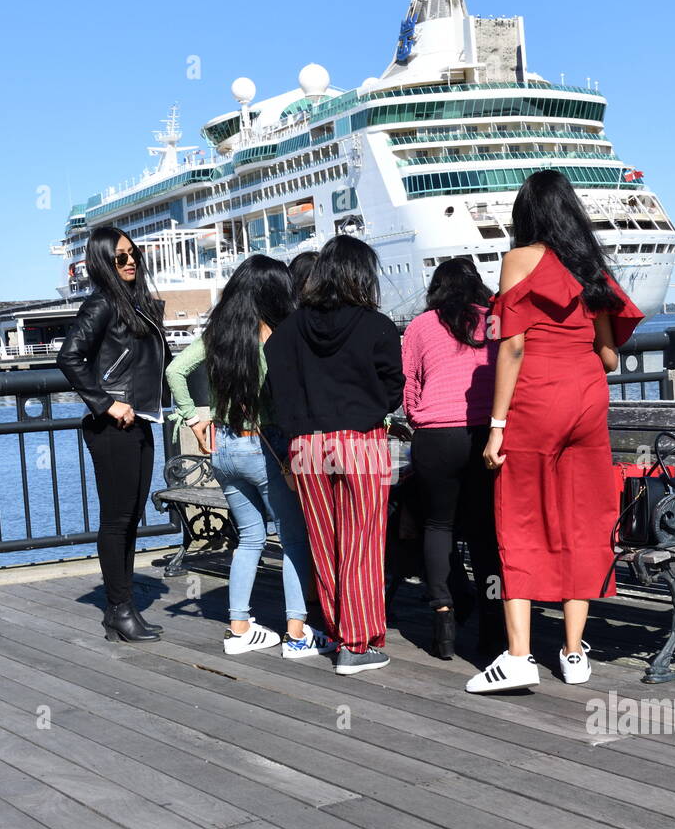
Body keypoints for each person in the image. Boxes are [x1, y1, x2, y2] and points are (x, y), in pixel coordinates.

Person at [466, 170, 644, 694]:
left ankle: (519, 658)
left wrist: (497, 427)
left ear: (529, 214)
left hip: (539, 399)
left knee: (519, 515)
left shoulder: (520, 260)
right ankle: (572, 653)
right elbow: (610, 357)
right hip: (588, 400)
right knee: (582, 519)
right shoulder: (593, 270)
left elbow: (512, 348)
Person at [165, 255, 333, 658]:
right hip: (267, 449)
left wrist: (193, 419)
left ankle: (239, 628)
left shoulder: (217, 335)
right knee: (294, 539)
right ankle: (297, 634)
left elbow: (174, 371)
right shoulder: (275, 336)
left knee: (251, 538)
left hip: (223, 448)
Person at [264, 236, 403, 676]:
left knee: (325, 543)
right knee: (363, 541)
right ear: (361, 275)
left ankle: (338, 630)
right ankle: (358, 646)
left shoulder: (287, 331)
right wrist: (369, 404)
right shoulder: (376, 325)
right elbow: (393, 387)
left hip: (306, 445)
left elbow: (275, 392)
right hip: (360, 441)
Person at [58, 226, 168, 643]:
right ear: (103, 262)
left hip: (140, 421)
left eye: (132, 254)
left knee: (130, 520)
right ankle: (119, 609)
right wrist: (105, 403)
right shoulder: (102, 304)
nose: (130, 262)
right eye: (119, 257)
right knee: (117, 519)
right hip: (113, 427)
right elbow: (69, 356)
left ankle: (121, 610)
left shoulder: (133, 305)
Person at [402, 257, 504, 660]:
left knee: (437, 525)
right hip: (485, 434)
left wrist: (420, 418)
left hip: (434, 437)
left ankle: (444, 619)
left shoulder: (420, 325)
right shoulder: (493, 320)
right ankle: (494, 628)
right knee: (485, 534)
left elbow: (409, 387)